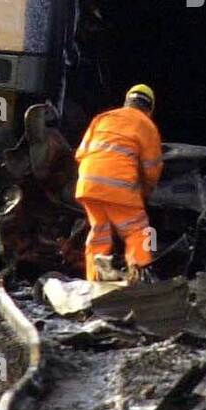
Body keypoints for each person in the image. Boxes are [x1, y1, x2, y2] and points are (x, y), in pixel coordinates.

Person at [73, 83, 163, 283]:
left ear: (126, 101)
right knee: (138, 231)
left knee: (99, 233)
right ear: (149, 108)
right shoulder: (146, 125)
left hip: (88, 185)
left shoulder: (103, 118)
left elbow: (80, 154)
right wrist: (145, 193)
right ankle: (140, 277)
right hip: (119, 187)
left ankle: (94, 281)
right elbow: (151, 168)